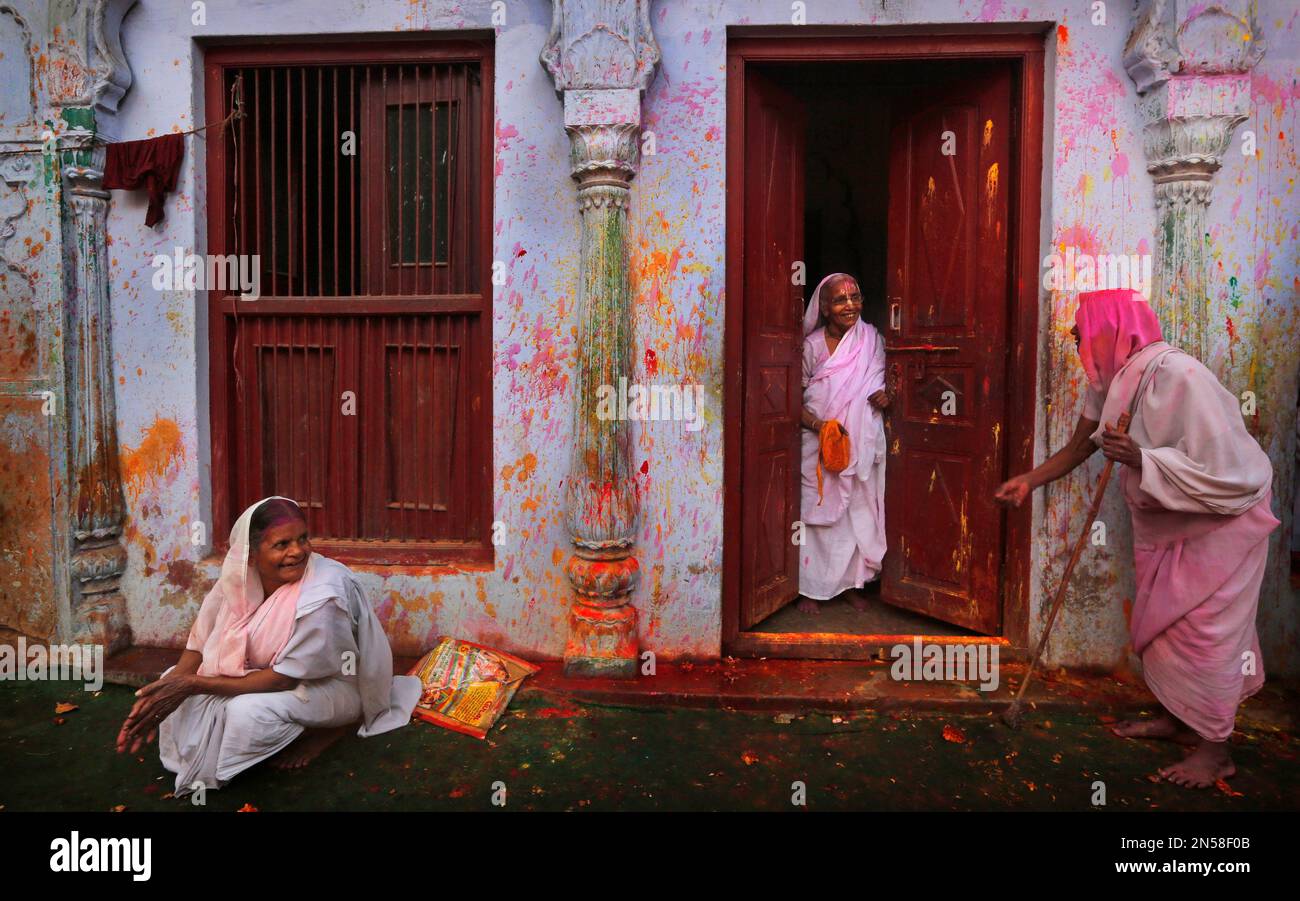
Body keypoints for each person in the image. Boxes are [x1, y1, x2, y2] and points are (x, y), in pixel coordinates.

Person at [995, 289, 1277, 788]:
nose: (1075, 341)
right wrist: (1030, 481)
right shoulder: (1110, 382)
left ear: (1111, 330)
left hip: (1221, 524)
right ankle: (1175, 718)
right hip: (1166, 525)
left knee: (1208, 632)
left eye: (1082, 333)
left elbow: (1233, 471)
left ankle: (1216, 751)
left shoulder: (1180, 375)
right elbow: (1082, 446)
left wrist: (1144, 459)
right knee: (1166, 628)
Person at [115, 496, 422, 796]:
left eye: (303, 539)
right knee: (171, 679)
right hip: (259, 676)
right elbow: (199, 642)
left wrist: (192, 685)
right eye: (282, 544)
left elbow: (284, 678)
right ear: (250, 554)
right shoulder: (236, 578)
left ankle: (332, 728)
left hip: (330, 687)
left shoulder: (322, 595)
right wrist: (163, 694)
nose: (298, 551)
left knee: (246, 712)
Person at [797, 273, 890, 612]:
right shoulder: (811, 347)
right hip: (819, 443)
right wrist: (820, 426)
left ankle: (852, 583)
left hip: (858, 445)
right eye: (840, 299)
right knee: (817, 510)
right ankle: (811, 588)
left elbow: (879, 383)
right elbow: (794, 400)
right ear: (824, 308)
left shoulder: (872, 340)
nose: (850, 305)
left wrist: (884, 396)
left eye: (855, 297)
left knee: (854, 512)